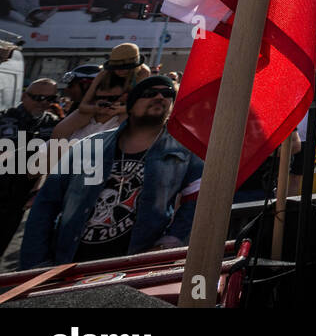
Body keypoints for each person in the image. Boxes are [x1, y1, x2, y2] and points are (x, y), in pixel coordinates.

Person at [21, 75, 204, 267]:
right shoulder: (90, 145)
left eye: (168, 94)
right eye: (149, 93)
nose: (160, 97)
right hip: (69, 261)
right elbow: (47, 203)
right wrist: (36, 262)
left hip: (131, 268)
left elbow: (196, 202)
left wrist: (169, 242)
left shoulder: (185, 152)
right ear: (131, 106)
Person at [0, 78, 60, 255]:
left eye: (50, 99)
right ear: (24, 95)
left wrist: (38, 190)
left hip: (18, 197)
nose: (43, 103)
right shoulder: (4, 118)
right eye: (38, 98)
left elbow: (53, 160)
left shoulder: (53, 124)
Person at [51, 44, 151, 142]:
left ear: (134, 65)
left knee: (126, 130)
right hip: (96, 111)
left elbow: (140, 105)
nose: (120, 71)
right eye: (117, 67)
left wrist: (119, 109)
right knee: (58, 133)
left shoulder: (143, 73)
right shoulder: (104, 74)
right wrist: (96, 108)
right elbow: (83, 106)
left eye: (124, 67)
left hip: (124, 112)